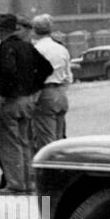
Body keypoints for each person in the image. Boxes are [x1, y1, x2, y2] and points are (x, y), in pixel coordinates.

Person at [0, 14, 52, 194]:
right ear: (15, 28)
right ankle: (29, 183)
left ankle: (15, 184)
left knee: (9, 143)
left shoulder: (6, 48)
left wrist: (2, 92)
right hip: (27, 101)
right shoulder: (27, 46)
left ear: (1, 30)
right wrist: (33, 87)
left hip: (10, 101)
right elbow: (47, 68)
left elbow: (8, 71)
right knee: (25, 142)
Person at [29, 14, 72, 159]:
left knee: (46, 139)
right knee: (59, 138)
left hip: (45, 93)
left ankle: (49, 171)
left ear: (34, 30)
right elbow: (68, 75)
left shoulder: (37, 49)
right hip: (61, 92)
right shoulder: (61, 49)